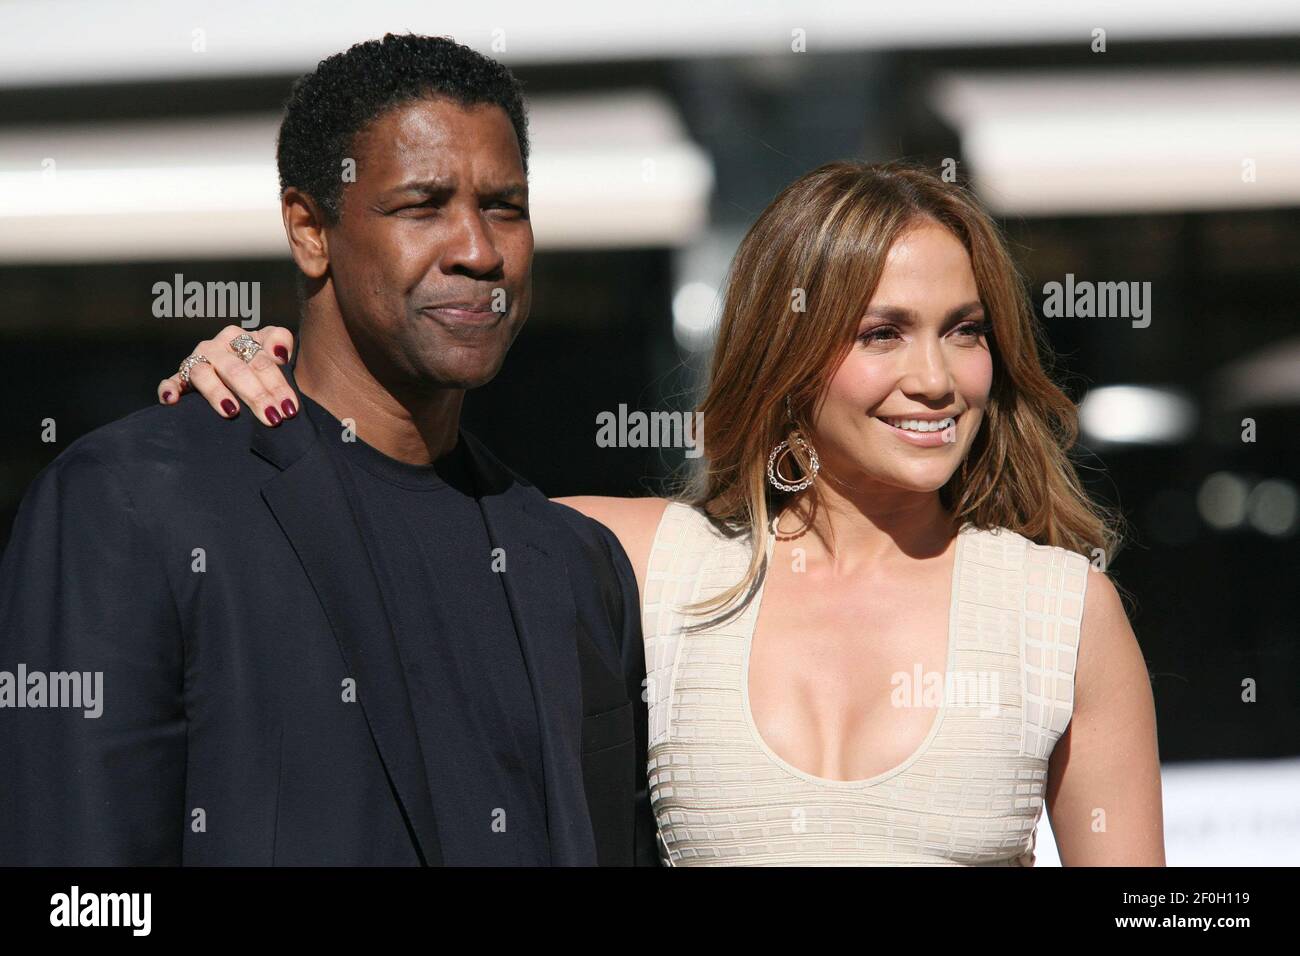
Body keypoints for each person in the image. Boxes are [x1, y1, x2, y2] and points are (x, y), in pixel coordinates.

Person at [164, 158, 1166, 866]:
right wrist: (263, 374)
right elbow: (373, 527)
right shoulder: (650, 565)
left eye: (964, 331)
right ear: (791, 354)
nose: (936, 377)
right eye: (882, 332)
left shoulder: (1060, 614)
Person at [0, 34, 656, 866]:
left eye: (504, 206)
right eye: (422, 205)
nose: (478, 250)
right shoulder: (133, 502)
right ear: (310, 229)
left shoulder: (574, 565)